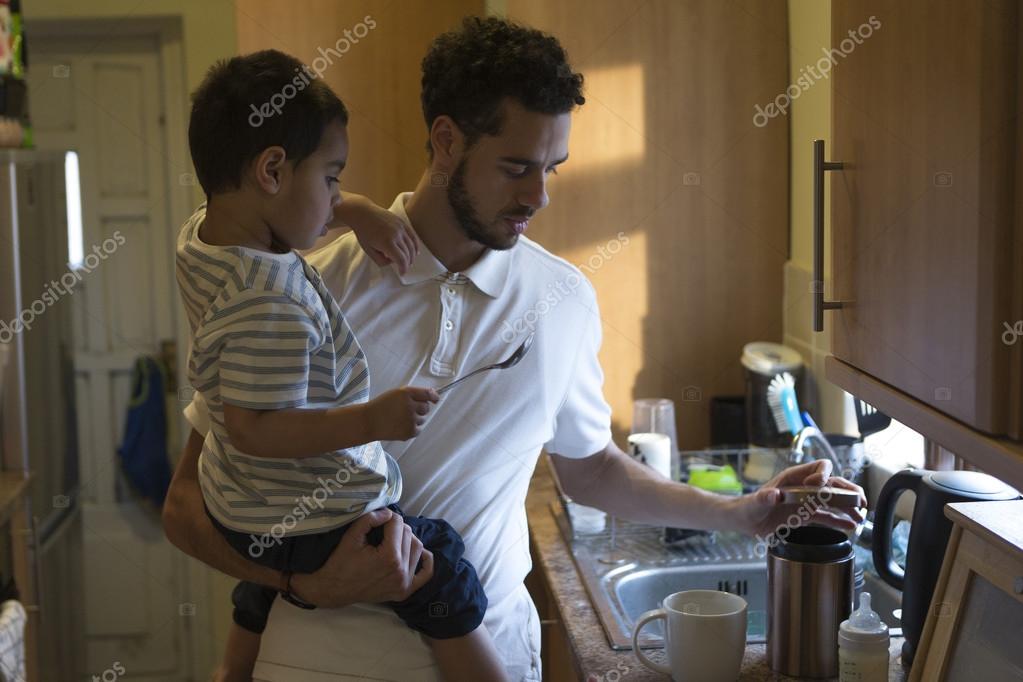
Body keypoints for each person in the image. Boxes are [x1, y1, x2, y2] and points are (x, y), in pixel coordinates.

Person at [164, 17, 866, 681]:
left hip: (496, 653)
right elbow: (187, 503)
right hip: (320, 662)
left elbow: (589, 469)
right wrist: (298, 580)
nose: (538, 196)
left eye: (551, 168)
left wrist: (737, 513)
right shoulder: (303, 288)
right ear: (444, 141)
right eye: (514, 167)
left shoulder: (562, 300)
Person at [175, 49, 507, 681]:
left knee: (267, 559)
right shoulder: (270, 304)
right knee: (442, 559)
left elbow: (278, 226)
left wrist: (352, 210)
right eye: (332, 178)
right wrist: (370, 419)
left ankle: (231, 671)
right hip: (290, 507)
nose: (336, 193)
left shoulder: (208, 236)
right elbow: (255, 427)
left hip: (240, 503)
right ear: (272, 169)